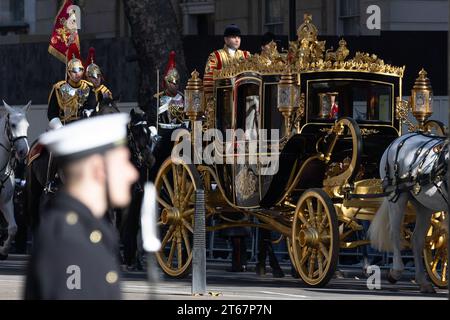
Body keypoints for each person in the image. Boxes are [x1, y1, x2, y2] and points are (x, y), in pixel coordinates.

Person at [24, 114, 139, 299]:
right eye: (123, 163)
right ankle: (51, 179)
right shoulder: (71, 242)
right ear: (98, 168)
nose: (132, 174)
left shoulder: (86, 230)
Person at [47, 43, 97, 129]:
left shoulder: (88, 87)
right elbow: (51, 113)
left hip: (83, 126)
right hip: (63, 127)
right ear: (68, 72)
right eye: (74, 71)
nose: (77, 74)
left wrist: (87, 114)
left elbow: (92, 107)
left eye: (80, 70)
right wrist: (59, 128)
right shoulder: (58, 88)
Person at [203, 24, 250, 99]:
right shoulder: (216, 56)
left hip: (242, 96)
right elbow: (208, 79)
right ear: (226, 39)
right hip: (222, 98)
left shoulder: (246, 55)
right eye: (234, 37)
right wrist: (210, 99)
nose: (237, 40)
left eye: (238, 37)